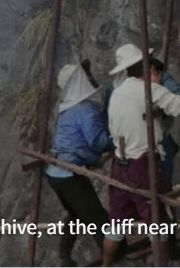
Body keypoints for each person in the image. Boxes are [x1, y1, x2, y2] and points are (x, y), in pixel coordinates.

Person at [101, 43, 180, 266]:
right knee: (157, 222)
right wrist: (158, 86)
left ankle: (105, 266)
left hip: (118, 164)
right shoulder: (149, 89)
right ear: (147, 68)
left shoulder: (117, 93)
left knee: (116, 224)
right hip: (143, 164)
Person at [43, 61, 113, 266]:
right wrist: (116, 139)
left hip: (56, 173)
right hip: (69, 174)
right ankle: (115, 257)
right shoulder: (86, 109)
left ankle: (64, 256)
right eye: (87, 76)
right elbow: (97, 141)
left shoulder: (67, 109)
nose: (91, 79)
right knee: (98, 219)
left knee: (75, 214)